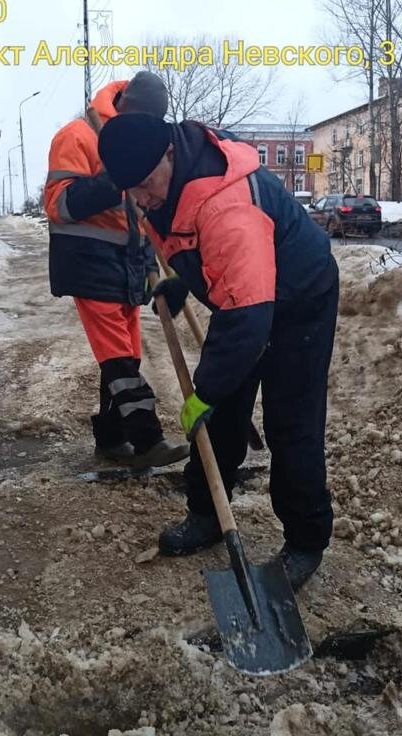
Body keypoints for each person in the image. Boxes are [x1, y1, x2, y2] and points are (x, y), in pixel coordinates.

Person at [96, 113, 339, 591]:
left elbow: (249, 319)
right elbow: (197, 243)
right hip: (246, 294)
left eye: (145, 185)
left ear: (169, 153)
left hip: (299, 296)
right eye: (132, 191)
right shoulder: (162, 183)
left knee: (290, 422)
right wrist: (183, 280)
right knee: (223, 410)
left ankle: (306, 540)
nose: (141, 199)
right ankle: (207, 514)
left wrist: (202, 392)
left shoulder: (227, 205)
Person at [44, 73, 189, 469]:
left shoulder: (141, 144)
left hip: (125, 268)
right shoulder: (77, 136)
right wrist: (116, 178)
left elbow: (139, 220)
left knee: (127, 358)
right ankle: (148, 441)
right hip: (88, 264)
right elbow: (59, 204)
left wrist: (154, 270)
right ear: (123, 107)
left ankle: (110, 437)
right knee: (119, 359)